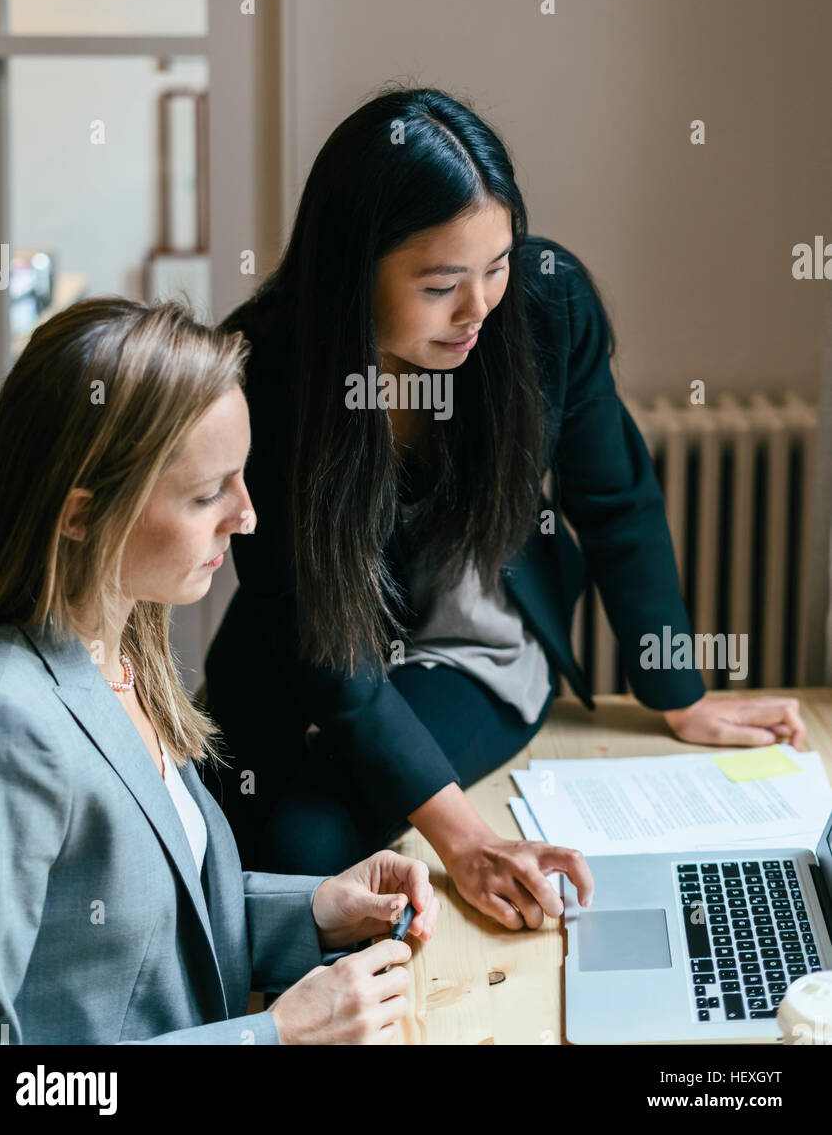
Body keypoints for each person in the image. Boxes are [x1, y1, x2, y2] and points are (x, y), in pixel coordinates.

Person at [203, 84, 805, 931]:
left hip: (466, 646)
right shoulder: (264, 370)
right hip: (309, 654)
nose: (480, 306)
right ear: (351, 270)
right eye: (443, 282)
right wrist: (467, 844)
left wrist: (681, 692)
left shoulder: (549, 307)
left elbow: (616, 500)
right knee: (222, 843)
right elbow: (320, 643)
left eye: (497, 264)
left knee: (308, 842)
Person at [0, 296, 438, 1045]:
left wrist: (316, 909)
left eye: (242, 477)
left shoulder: (128, 658)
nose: (247, 516)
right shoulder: (3, 722)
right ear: (82, 514)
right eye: (206, 493)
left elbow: (149, 924)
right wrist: (270, 1036)